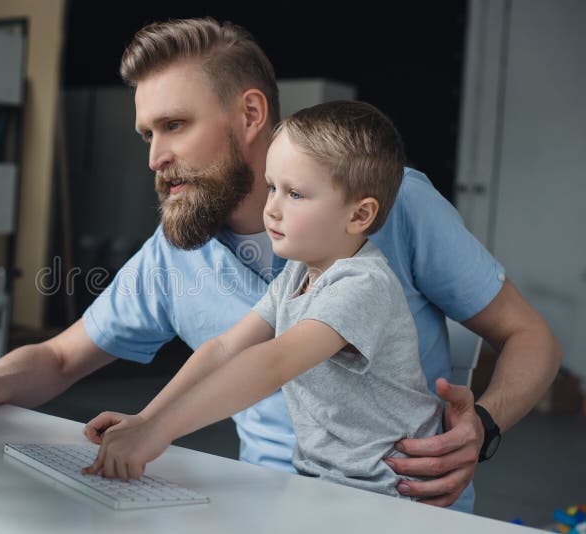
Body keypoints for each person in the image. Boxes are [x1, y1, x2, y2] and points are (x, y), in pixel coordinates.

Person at [0, 18, 561, 511]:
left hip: (393, 504)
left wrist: (483, 424)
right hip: (274, 504)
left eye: (175, 126)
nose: (155, 157)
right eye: (146, 136)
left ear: (248, 115)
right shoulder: (182, 253)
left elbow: (530, 336)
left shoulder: (391, 216)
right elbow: (61, 356)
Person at [81, 101, 445, 501]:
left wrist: (160, 432)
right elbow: (223, 348)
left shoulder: (363, 285)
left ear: (359, 216)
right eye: (272, 187)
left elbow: (271, 363)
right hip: (321, 485)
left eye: (295, 194)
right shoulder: (297, 274)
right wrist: (147, 419)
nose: (271, 208)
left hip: (388, 496)